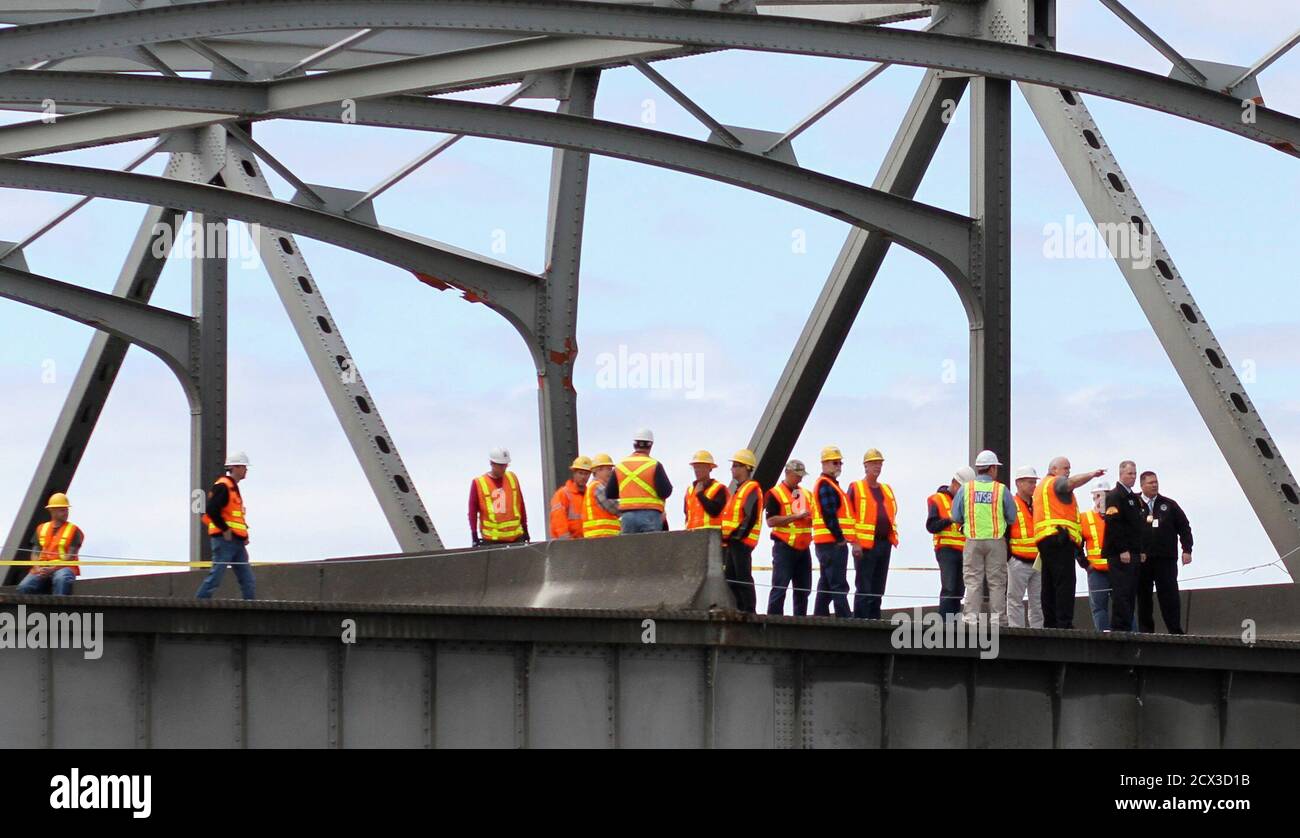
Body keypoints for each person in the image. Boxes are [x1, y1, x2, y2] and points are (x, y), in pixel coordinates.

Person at [1033, 456, 1105, 628]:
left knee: (1049, 584)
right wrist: (1091, 475)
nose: (1068, 472)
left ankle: (1050, 623)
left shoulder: (1041, 488)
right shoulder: (1055, 483)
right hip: (1059, 538)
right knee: (1065, 582)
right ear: (1054, 470)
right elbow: (1069, 483)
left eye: (1069, 469)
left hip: (1045, 540)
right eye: (1065, 468)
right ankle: (1064, 623)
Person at [949, 450, 1017, 625]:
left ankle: (971, 617)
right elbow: (1012, 517)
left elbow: (956, 516)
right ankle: (998, 619)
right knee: (997, 582)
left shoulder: (966, 489)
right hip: (996, 541)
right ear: (992, 468)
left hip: (972, 540)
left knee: (973, 580)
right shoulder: (1001, 489)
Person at [1136, 471, 1192, 634]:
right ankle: (1146, 631)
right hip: (1142, 559)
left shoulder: (1169, 504)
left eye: (1156, 482)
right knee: (1143, 595)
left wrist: (1186, 549)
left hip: (1165, 558)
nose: (1154, 485)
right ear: (1142, 485)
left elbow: (1184, 527)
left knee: (1169, 595)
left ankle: (1175, 630)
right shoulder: (1133, 503)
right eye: (1150, 483)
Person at [196, 451, 256, 600]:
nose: (246, 470)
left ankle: (252, 608)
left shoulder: (233, 488)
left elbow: (235, 516)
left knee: (247, 579)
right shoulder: (224, 486)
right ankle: (199, 603)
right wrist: (225, 529)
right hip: (224, 541)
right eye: (243, 467)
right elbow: (211, 510)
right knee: (216, 576)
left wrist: (244, 535)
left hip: (236, 541)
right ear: (235, 467)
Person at [847, 448, 898, 619]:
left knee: (878, 587)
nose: (877, 466)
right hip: (865, 545)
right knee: (864, 587)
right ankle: (861, 622)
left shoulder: (887, 489)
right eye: (874, 463)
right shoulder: (856, 487)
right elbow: (848, 517)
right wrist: (854, 542)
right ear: (865, 466)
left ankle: (875, 620)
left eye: (880, 463)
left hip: (884, 543)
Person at [809, 446, 856, 618]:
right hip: (832, 543)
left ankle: (819, 616)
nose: (839, 466)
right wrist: (840, 538)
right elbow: (829, 513)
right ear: (825, 464)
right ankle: (845, 618)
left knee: (827, 584)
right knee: (838, 584)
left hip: (827, 543)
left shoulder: (830, 485)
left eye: (840, 463)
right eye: (835, 463)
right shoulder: (826, 485)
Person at [765, 459, 813, 616]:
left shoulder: (806, 494)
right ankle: (773, 620)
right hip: (784, 547)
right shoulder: (775, 494)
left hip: (804, 547)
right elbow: (771, 521)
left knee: (803, 589)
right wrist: (795, 517)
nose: (799, 479)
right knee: (780, 587)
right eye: (796, 476)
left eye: (801, 476)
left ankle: (800, 620)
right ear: (787, 473)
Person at [1104, 460, 1146, 632]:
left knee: (1130, 593)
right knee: (1121, 593)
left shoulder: (1134, 499)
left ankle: (1126, 627)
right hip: (1121, 554)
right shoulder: (1115, 495)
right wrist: (1122, 549)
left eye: (1135, 473)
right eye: (1130, 473)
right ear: (1121, 474)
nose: (1133, 477)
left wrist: (1141, 549)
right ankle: (1120, 630)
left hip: (1134, 553)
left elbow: (1137, 527)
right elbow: (1114, 523)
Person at [719, 449, 762, 613]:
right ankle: (740, 608)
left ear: (747, 468)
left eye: (737, 466)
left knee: (742, 576)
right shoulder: (740, 490)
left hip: (741, 541)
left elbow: (750, 516)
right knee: (731, 577)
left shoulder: (751, 488)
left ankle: (749, 610)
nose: (733, 469)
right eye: (733, 466)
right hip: (733, 540)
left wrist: (737, 536)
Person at [607, 428, 673, 534]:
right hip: (651, 516)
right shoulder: (654, 464)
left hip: (627, 517)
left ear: (634, 444)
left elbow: (610, 492)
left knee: (629, 549)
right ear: (651, 445)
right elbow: (666, 491)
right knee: (651, 549)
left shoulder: (620, 466)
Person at [16, 492, 82, 596]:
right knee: (24, 587)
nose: (66, 513)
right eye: (62, 510)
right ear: (52, 511)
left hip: (63, 568)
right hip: (42, 568)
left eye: (66, 510)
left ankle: (59, 610)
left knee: (61, 579)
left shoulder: (74, 530)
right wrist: (38, 568)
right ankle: (32, 611)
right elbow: (35, 553)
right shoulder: (41, 528)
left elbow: (70, 557)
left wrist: (51, 569)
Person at [927, 468, 973, 617]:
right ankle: (945, 624)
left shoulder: (966, 502)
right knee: (949, 588)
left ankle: (953, 622)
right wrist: (950, 519)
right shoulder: (937, 499)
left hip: (964, 550)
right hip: (946, 550)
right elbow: (932, 526)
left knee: (959, 590)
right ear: (954, 483)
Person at [1005, 466, 1043, 628]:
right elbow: (1004, 531)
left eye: (1034, 482)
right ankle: (1016, 632)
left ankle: (1039, 634)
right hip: (1018, 560)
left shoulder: (1038, 505)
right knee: (1015, 600)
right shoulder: (1011, 504)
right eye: (1030, 482)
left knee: (1038, 602)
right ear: (1018, 483)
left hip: (1038, 561)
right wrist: (1009, 557)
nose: (1033, 485)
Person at [469, 447, 529, 545]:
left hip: (516, 537)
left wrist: (525, 528)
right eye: (500, 465)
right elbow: (472, 512)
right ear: (492, 463)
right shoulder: (479, 483)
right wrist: (474, 535)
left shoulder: (512, 478)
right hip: (492, 540)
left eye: (505, 465)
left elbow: (520, 504)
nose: (503, 468)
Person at [1079, 482, 1113, 631]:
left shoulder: (1118, 515)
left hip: (1117, 569)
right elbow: (1077, 544)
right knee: (1099, 607)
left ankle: (1130, 636)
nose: (1100, 499)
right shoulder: (1085, 518)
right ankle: (1104, 636)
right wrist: (1085, 564)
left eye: (1103, 495)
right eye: (1097, 496)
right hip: (1097, 571)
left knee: (1124, 605)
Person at [549, 456, 592, 540]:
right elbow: (558, 519)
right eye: (580, 473)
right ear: (574, 473)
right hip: (567, 544)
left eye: (586, 474)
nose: (583, 477)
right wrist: (566, 542)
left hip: (585, 542)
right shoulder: (563, 494)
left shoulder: (590, 494)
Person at [683, 450, 727, 532]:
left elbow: (715, 511)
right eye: (695, 467)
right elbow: (687, 515)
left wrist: (700, 495)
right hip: (691, 537)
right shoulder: (689, 490)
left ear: (709, 468)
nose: (696, 470)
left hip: (711, 537)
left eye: (700, 466)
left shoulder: (719, 488)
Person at [582, 453, 622, 539]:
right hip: (602, 536)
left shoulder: (593, 487)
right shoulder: (597, 487)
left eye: (611, 469)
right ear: (598, 470)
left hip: (600, 536)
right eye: (608, 469)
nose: (611, 472)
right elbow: (614, 507)